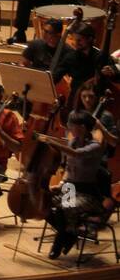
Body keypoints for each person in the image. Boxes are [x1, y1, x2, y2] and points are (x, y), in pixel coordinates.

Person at [46, 110, 111, 259]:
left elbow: (78, 154)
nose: (68, 127)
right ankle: (70, 233)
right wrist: (61, 184)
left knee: (63, 207)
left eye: (71, 124)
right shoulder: (72, 142)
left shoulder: (95, 146)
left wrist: (55, 143)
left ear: (82, 127)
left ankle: (59, 242)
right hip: (71, 188)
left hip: (89, 194)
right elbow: (69, 168)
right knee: (44, 202)